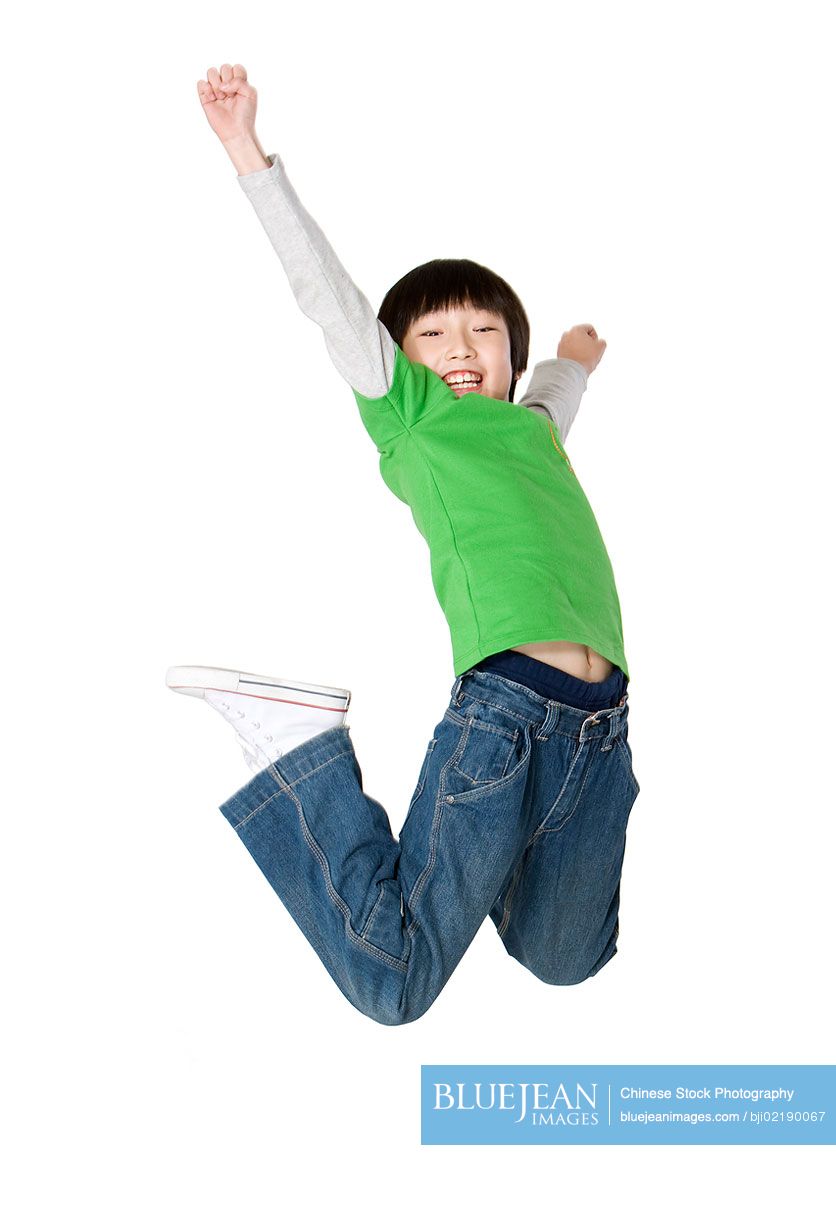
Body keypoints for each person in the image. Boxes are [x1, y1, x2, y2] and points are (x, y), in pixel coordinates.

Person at [166, 63, 641, 1026]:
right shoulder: (414, 415)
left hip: (601, 725)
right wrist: (247, 150)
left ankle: (481, 864)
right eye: (432, 333)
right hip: (504, 715)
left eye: (483, 330)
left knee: (566, 960)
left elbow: (553, 398)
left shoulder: (529, 433)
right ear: (399, 358)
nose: (460, 345)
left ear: (509, 354)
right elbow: (328, 296)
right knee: (395, 983)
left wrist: (572, 360)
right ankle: (299, 748)